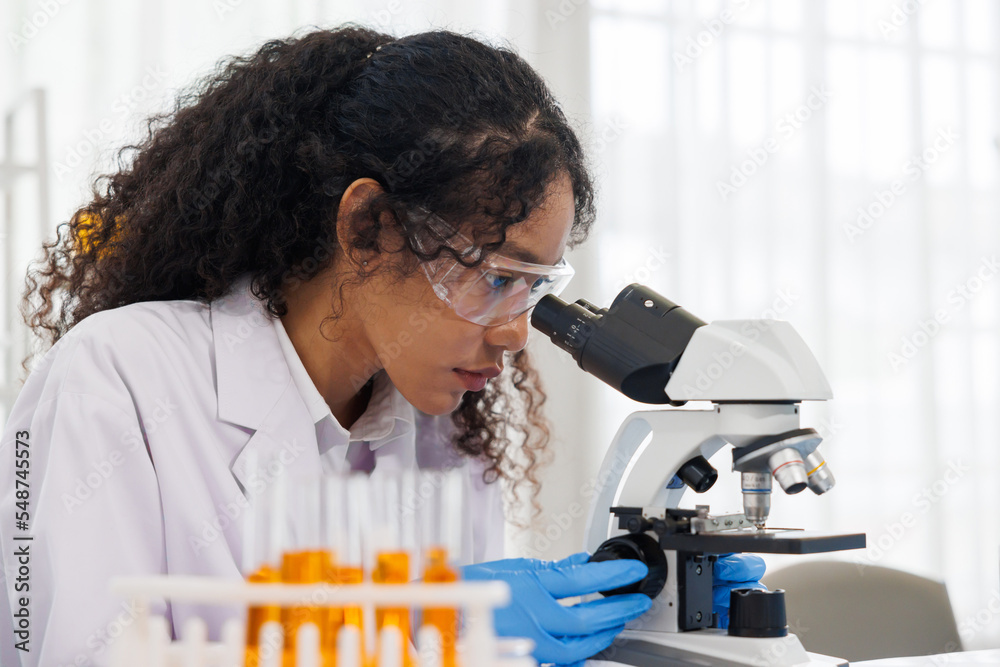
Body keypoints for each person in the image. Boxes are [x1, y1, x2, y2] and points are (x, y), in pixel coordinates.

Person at [0, 26, 761, 667]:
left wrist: (637, 609)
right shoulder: (120, 376)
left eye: (533, 286)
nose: (515, 332)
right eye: (495, 277)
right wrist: (422, 634)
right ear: (367, 227)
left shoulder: (446, 432)